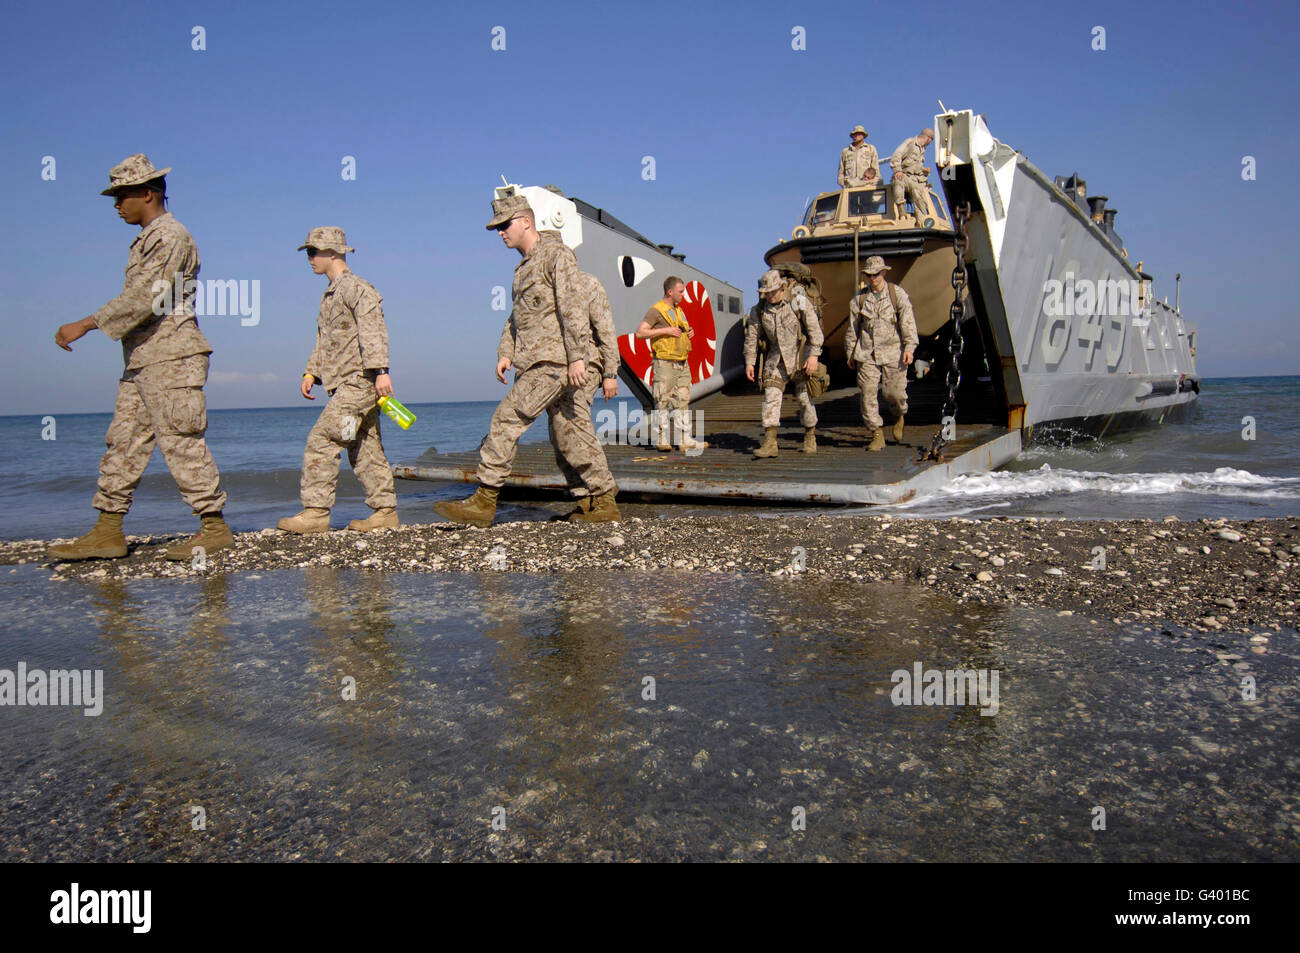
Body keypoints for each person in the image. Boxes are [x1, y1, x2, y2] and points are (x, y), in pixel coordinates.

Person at [50, 154, 233, 562]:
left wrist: (87, 323)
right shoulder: (149, 238)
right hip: (144, 359)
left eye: (121, 196)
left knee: (181, 441)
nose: (116, 205)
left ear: (147, 194)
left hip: (173, 358)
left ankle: (215, 527)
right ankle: (107, 530)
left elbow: (149, 296)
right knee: (124, 442)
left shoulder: (171, 236)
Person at [434, 193, 619, 528]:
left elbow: (573, 309)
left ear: (525, 221)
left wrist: (586, 362)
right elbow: (515, 318)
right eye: (496, 228)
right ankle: (598, 501)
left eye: (504, 225)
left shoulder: (556, 256)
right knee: (569, 433)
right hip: (536, 363)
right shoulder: (523, 269)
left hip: (554, 363)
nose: (500, 232)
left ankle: (484, 500)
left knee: (507, 420)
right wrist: (505, 351)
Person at [278, 228, 399, 534]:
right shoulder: (330, 295)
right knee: (363, 445)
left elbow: (373, 329)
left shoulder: (357, 288)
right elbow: (325, 341)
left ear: (333, 253)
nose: (309, 259)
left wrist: (381, 371)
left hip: (359, 383)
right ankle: (384, 511)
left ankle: (316, 512)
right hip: (348, 385)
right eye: (308, 253)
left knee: (324, 440)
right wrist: (311, 372)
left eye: (313, 252)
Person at [546, 271, 621, 517]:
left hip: (587, 363)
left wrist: (611, 372)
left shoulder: (587, 282)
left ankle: (604, 496)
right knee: (558, 430)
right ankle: (585, 498)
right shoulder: (541, 286)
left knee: (573, 422)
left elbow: (606, 329)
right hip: (555, 367)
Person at [744, 269, 823, 458]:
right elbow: (752, 337)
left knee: (804, 399)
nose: (769, 295)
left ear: (781, 287)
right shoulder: (759, 310)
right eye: (766, 292)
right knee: (771, 397)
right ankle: (770, 442)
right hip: (776, 359)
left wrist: (813, 356)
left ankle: (810, 435)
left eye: (772, 291)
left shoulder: (798, 301)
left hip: (799, 357)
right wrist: (749, 362)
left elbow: (815, 333)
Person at [845, 256, 918, 451]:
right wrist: (850, 352)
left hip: (893, 352)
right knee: (867, 394)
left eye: (876, 274)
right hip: (867, 353)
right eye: (869, 275)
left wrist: (910, 347)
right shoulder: (859, 300)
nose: (873, 278)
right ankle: (876, 434)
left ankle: (899, 415)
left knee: (894, 394)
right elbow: (853, 328)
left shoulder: (897, 294)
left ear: (884, 273)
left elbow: (908, 323)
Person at [634, 275, 706, 453]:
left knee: (682, 400)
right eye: (681, 292)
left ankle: (685, 440)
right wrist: (665, 330)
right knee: (662, 401)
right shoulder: (656, 310)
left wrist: (689, 333)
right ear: (670, 292)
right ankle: (662, 439)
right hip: (665, 363)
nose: (683, 295)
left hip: (682, 363)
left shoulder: (679, 311)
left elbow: (680, 330)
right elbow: (640, 333)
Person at [889, 128, 936, 225]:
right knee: (898, 180)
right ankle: (902, 212)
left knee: (918, 194)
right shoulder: (910, 142)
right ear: (928, 138)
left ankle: (922, 221)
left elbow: (915, 166)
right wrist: (897, 170)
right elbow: (897, 154)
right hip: (904, 176)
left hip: (915, 180)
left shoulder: (922, 149)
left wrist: (924, 170)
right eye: (931, 140)